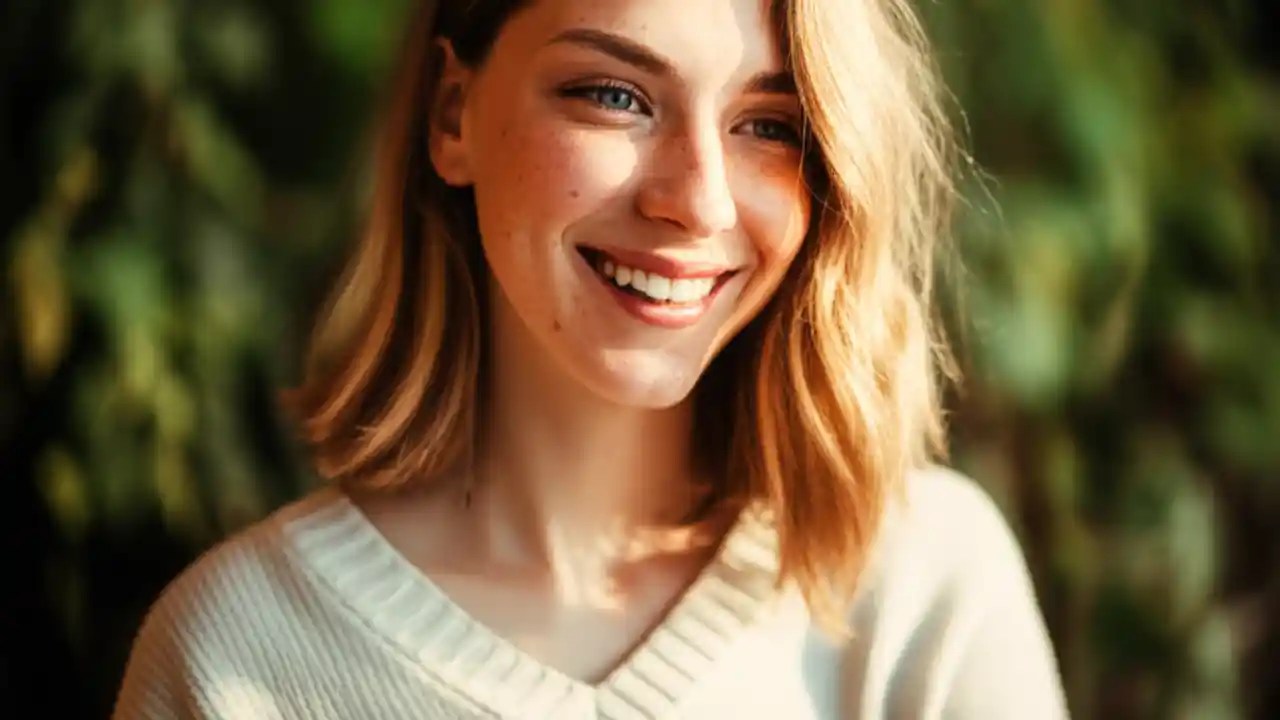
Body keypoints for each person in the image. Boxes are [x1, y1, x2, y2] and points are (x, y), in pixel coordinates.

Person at [113, 0, 1070, 717]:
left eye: (768, 125)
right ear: (454, 117)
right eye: (614, 95)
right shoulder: (237, 655)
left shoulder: (924, 591)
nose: (698, 201)